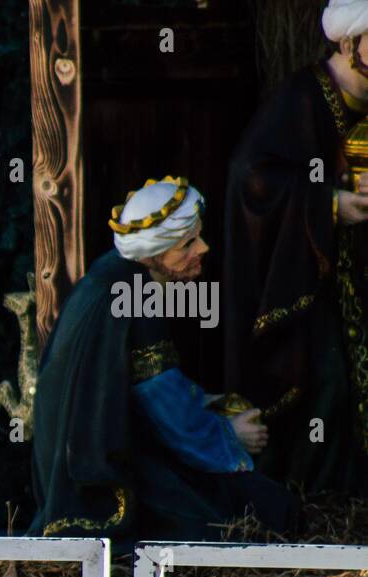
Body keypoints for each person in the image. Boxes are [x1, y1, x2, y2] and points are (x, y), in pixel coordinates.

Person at [30, 177, 297, 548]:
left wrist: (205, 403)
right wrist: (230, 435)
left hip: (96, 461)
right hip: (106, 484)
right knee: (269, 508)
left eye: (198, 236)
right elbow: (169, 414)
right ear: (153, 253)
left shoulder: (113, 277)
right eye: (187, 244)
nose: (203, 248)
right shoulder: (135, 298)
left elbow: (142, 392)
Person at [223, 0, 368, 494]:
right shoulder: (301, 99)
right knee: (328, 383)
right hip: (311, 281)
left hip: (361, 275)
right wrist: (327, 205)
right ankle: (314, 505)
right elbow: (251, 177)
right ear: (349, 44)